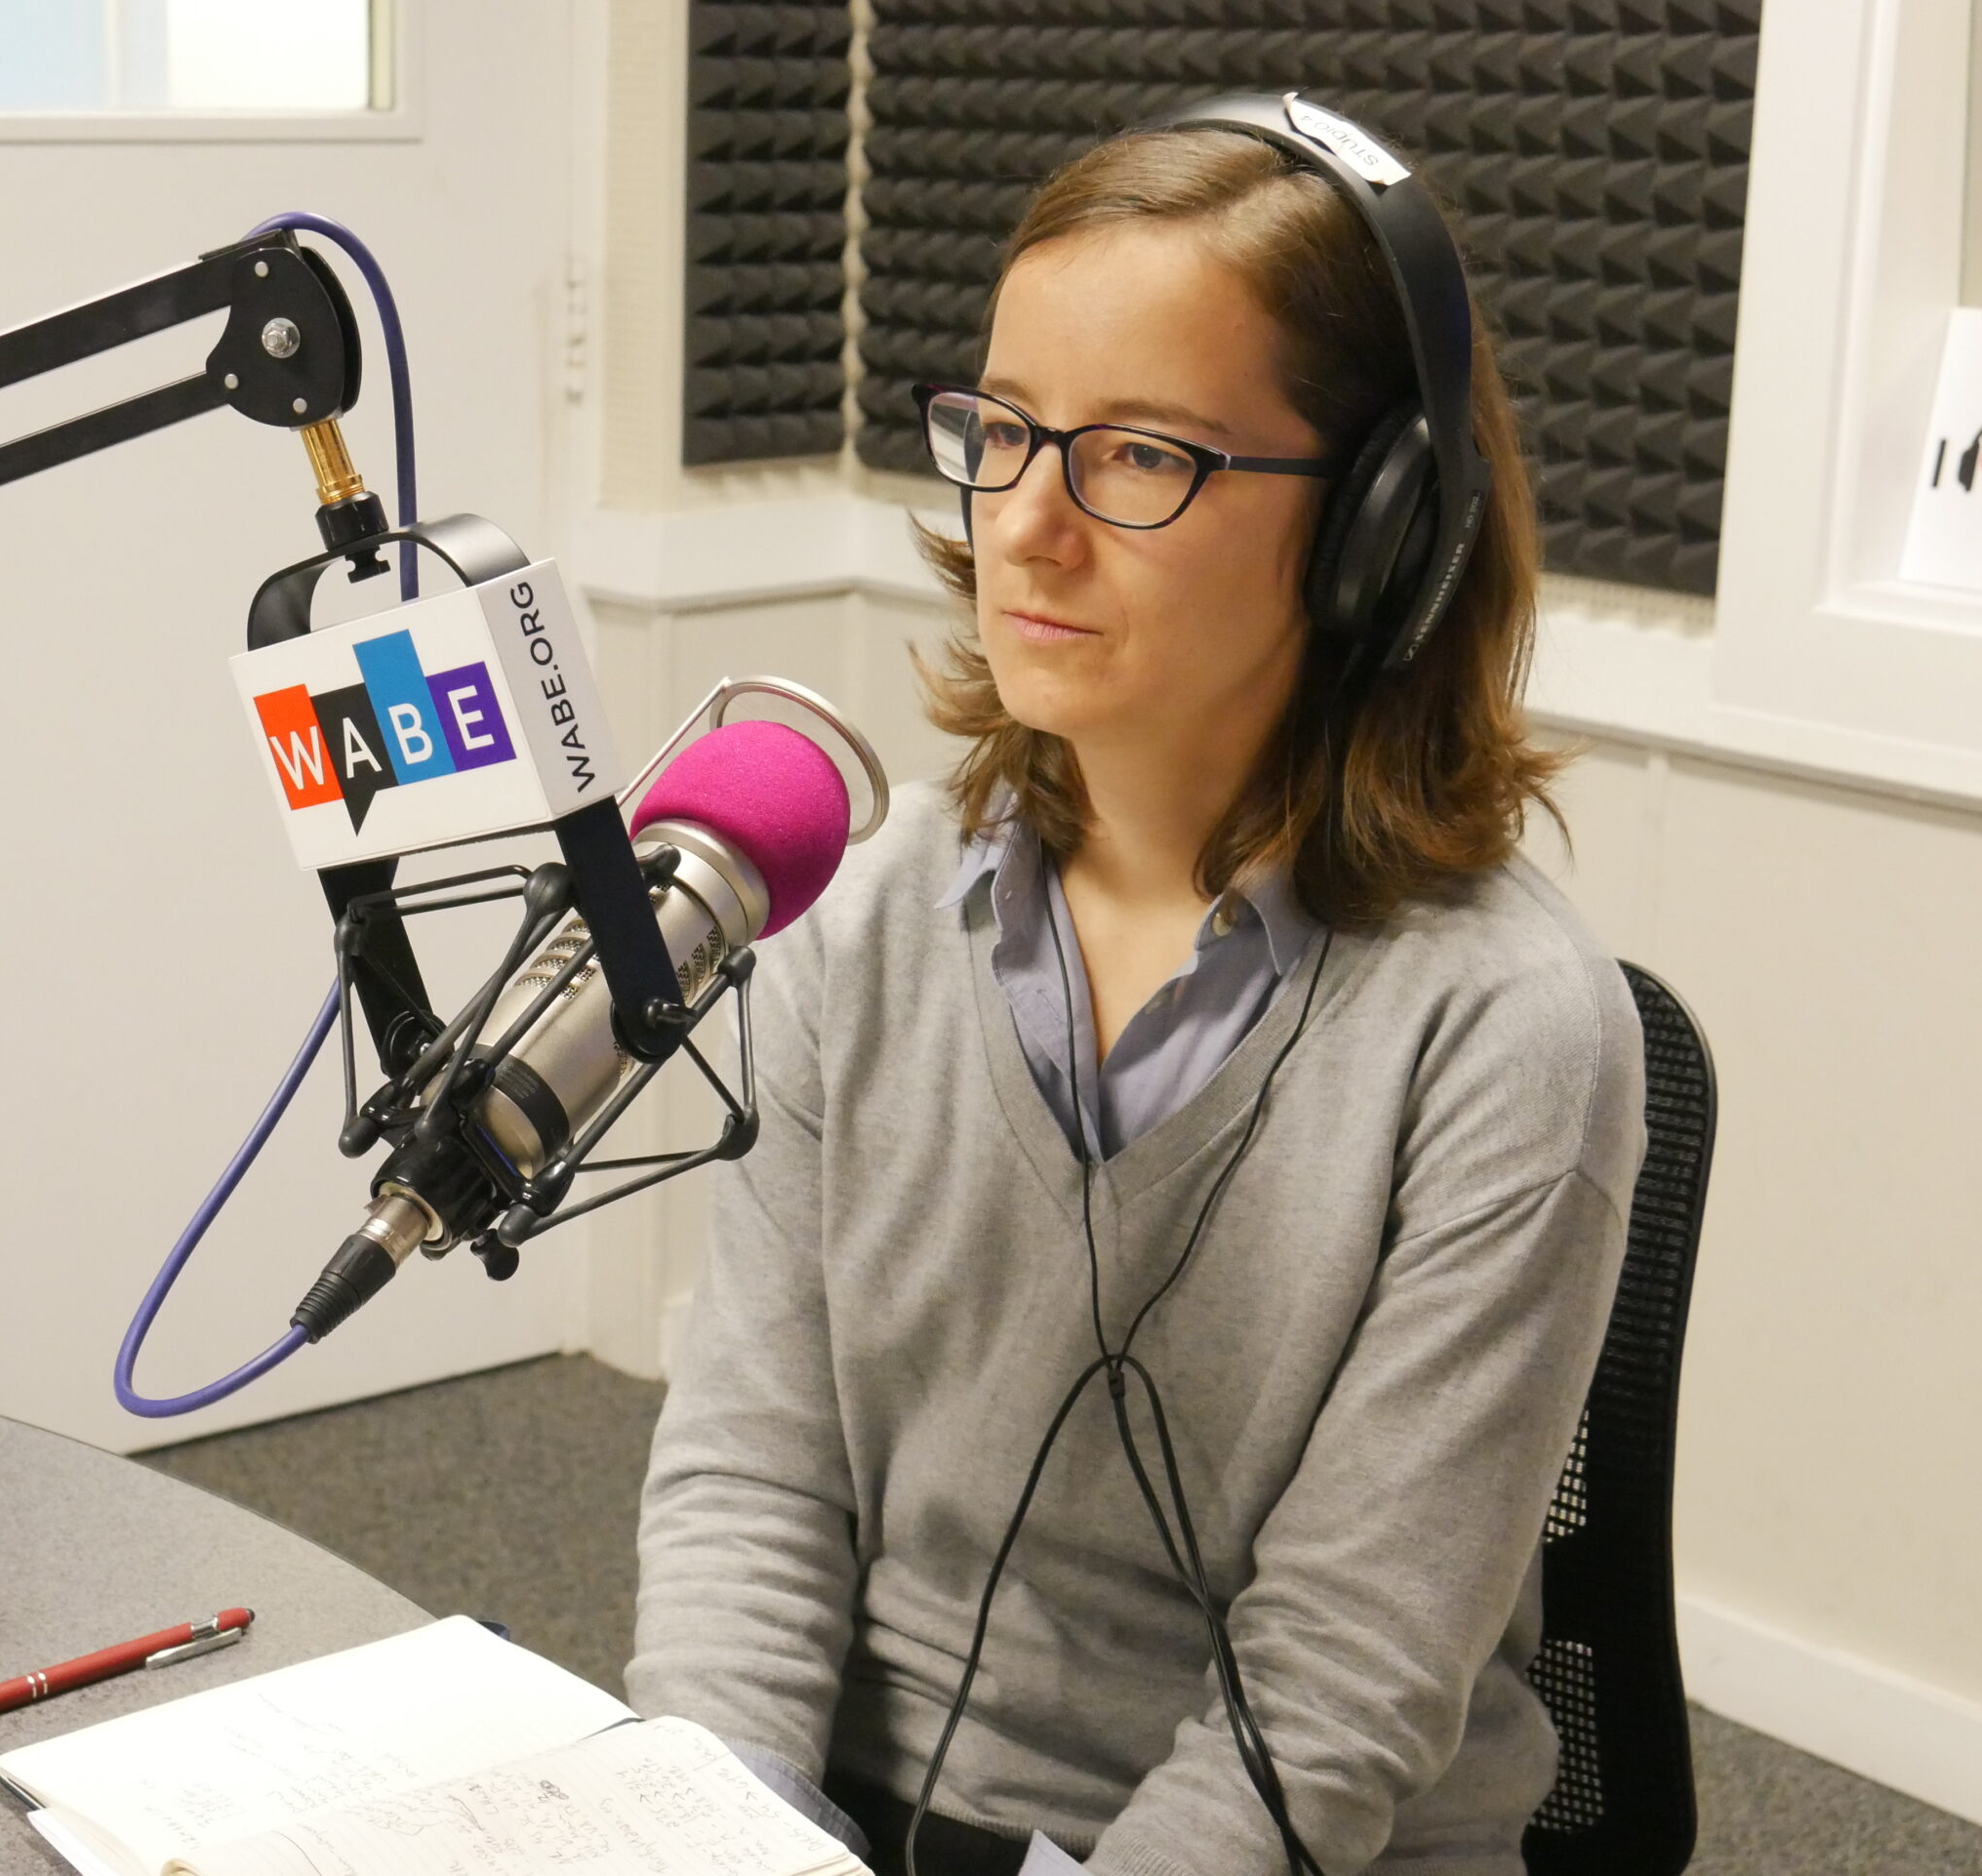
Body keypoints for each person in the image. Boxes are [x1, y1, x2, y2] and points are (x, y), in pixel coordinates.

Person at [625, 109, 1646, 1876]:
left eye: (1141, 458)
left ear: (1377, 530)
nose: (1026, 526)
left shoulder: (1504, 1030)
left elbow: (1340, 1683)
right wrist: (719, 1834)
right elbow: (752, 1486)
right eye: (1004, 431)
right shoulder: (848, 927)